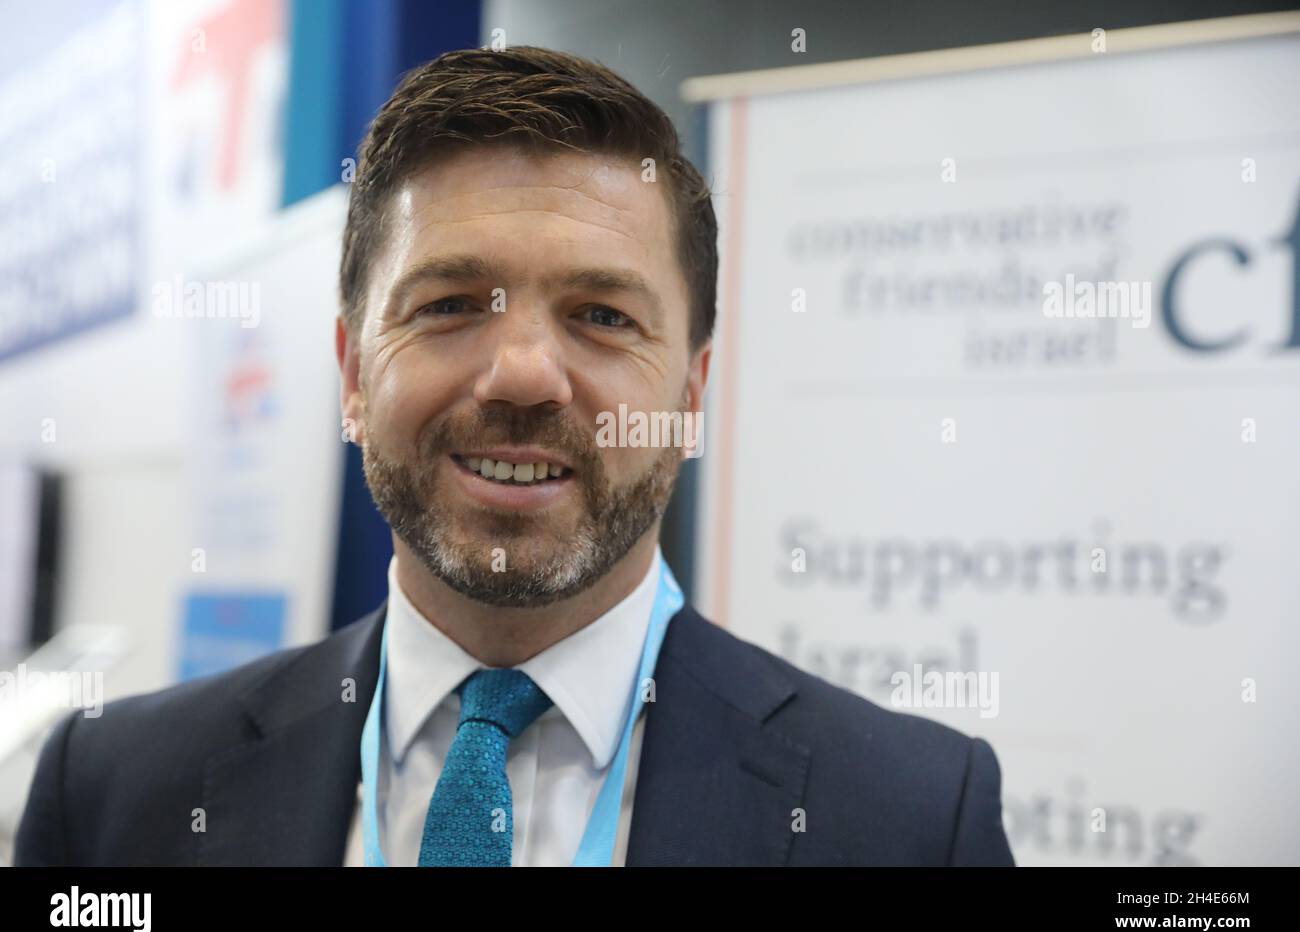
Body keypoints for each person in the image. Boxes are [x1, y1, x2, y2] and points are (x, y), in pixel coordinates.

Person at [16, 45, 1014, 866]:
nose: (524, 375)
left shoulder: (912, 820)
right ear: (353, 373)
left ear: (691, 395)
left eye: (601, 315)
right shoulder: (111, 793)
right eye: (449, 304)